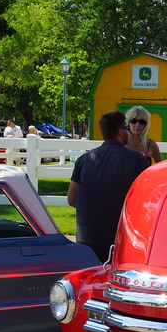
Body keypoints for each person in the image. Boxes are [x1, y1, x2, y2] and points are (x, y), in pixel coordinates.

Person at [68, 110, 149, 260]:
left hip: (87, 242)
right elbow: (146, 202)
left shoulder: (84, 160)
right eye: (126, 128)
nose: (128, 132)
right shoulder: (137, 161)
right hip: (121, 241)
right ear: (120, 132)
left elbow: (72, 199)